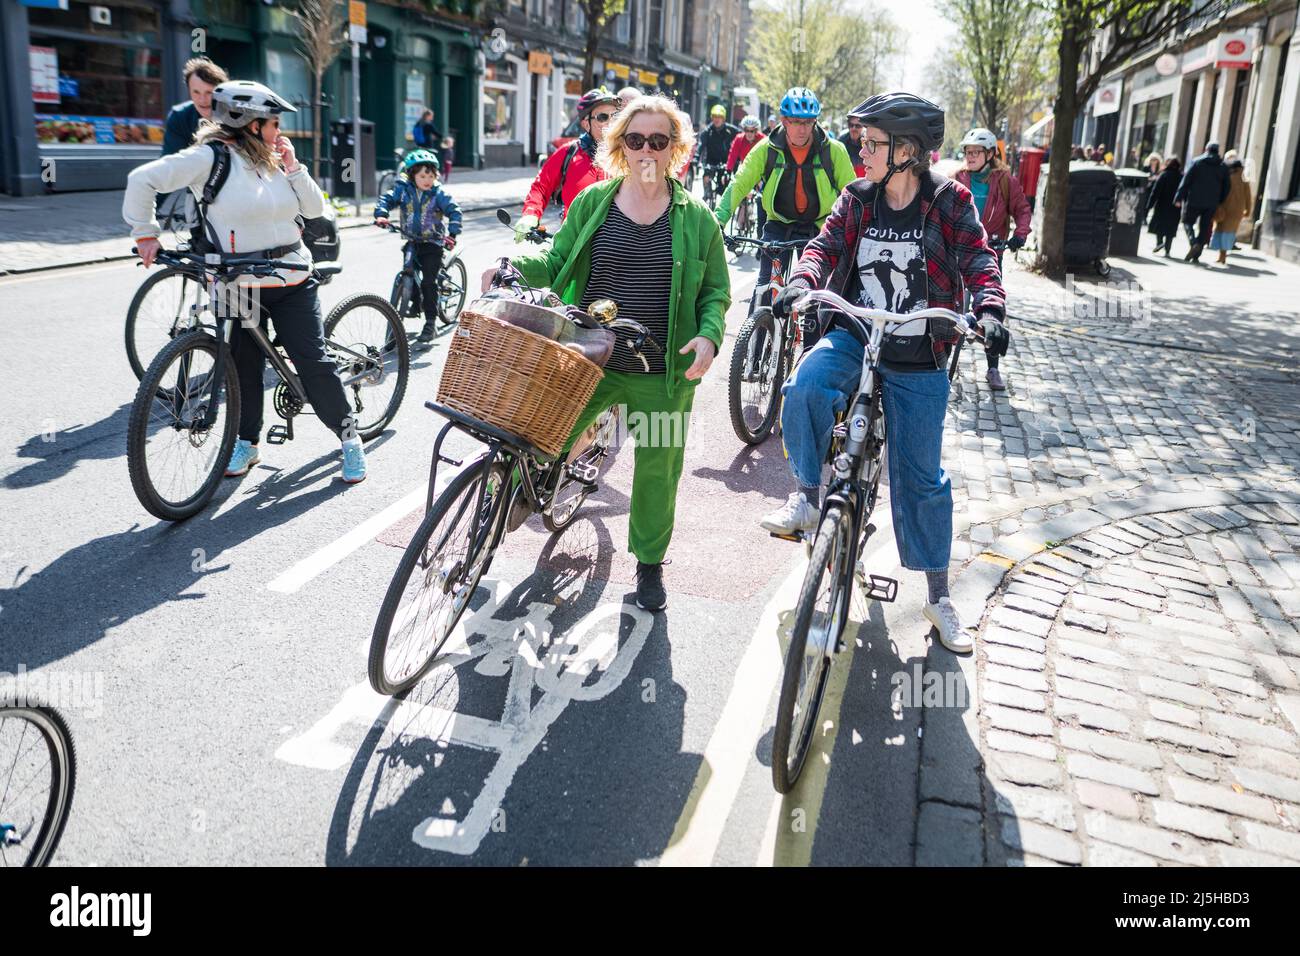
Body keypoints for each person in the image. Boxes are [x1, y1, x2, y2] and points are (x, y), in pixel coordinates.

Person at [760, 92, 1008, 654]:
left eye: (872, 143)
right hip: (855, 334)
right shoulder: (857, 198)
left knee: (921, 480)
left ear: (907, 151)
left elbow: (978, 260)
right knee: (804, 386)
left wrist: (990, 310)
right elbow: (822, 249)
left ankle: (939, 597)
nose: (861, 152)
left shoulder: (949, 201)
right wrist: (801, 282)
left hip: (918, 352)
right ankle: (807, 498)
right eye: (861, 142)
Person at [481, 94, 730, 612]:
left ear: (675, 148)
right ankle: (499, 510)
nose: (647, 150)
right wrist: (511, 265)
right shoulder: (594, 202)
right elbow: (555, 260)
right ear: (620, 145)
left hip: (661, 371)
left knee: (658, 470)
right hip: (587, 356)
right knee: (537, 434)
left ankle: (649, 565)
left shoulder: (698, 220)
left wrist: (708, 336)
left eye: (658, 140)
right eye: (636, 139)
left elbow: (715, 292)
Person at [123, 81, 367, 483]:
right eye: (273, 123)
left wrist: (294, 167)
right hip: (235, 284)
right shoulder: (210, 158)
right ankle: (247, 442)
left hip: (289, 278)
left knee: (313, 363)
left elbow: (314, 209)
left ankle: (349, 437)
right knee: (242, 369)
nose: (279, 131)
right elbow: (142, 179)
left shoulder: (276, 160)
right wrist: (145, 234)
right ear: (251, 124)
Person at [713, 86, 856, 322]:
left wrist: (853, 231)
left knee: (816, 298)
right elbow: (740, 183)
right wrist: (718, 219)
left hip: (819, 227)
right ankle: (755, 339)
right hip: (778, 224)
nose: (802, 129)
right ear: (783, 121)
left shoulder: (833, 151)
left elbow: (851, 194)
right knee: (765, 289)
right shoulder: (766, 149)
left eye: (808, 122)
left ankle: (812, 342)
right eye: (796, 121)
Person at [953, 127, 1029, 391]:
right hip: (959, 251)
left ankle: (992, 367)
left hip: (991, 252)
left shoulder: (1005, 180)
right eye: (968, 152)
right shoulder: (957, 178)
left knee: (990, 307)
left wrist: (1020, 234)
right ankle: (943, 360)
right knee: (951, 305)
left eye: (976, 152)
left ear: (990, 154)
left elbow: (1022, 209)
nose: (971, 156)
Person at [374, 149, 462, 345]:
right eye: (422, 176)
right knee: (408, 272)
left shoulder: (439, 193)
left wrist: (453, 234)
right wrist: (381, 214)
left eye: (431, 176)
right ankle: (413, 303)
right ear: (412, 175)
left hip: (433, 243)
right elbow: (387, 199)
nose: (427, 180)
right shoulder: (403, 190)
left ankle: (431, 322)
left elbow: (454, 211)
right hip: (412, 241)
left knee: (429, 282)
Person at [515, 88, 621, 240]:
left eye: (615, 116)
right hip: (571, 242)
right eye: (602, 117)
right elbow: (541, 187)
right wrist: (530, 214)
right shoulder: (569, 152)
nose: (611, 123)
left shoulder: (627, 154)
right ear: (586, 123)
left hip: (614, 244)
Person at [1175, 141, 1230, 263]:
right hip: (1212, 202)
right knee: (1205, 227)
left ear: (1206, 149)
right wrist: (1220, 200)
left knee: (1187, 221)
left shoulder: (1197, 162)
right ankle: (1197, 253)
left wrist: (1178, 197)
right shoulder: (1223, 166)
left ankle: (1193, 242)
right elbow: (1227, 187)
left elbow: (1186, 180)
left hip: (1194, 199)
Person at [1210, 157, 1252, 265]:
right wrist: (1248, 210)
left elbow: (1219, 192)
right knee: (1229, 232)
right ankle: (1223, 255)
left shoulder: (1227, 176)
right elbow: (1248, 197)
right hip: (1237, 211)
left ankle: (1221, 255)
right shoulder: (1244, 180)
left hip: (1224, 209)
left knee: (1221, 230)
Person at [698, 104, 740, 199]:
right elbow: (700, 146)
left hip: (725, 162)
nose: (717, 119)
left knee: (723, 184)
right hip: (711, 161)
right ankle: (707, 195)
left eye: (719, 117)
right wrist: (696, 158)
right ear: (712, 118)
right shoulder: (707, 131)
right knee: (706, 177)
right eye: (714, 117)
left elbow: (742, 138)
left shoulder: (731, 130)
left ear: (723, 119)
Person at [1144, 156, 1182, 256]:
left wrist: (1149, 205)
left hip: (1162, 205)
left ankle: (1160, 242)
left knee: (1160, 226)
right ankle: (1168, 250)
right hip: (1175, 207)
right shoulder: (1181, 177)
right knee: (1171, 228)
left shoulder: (1164, 175)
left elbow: (1155, 191)